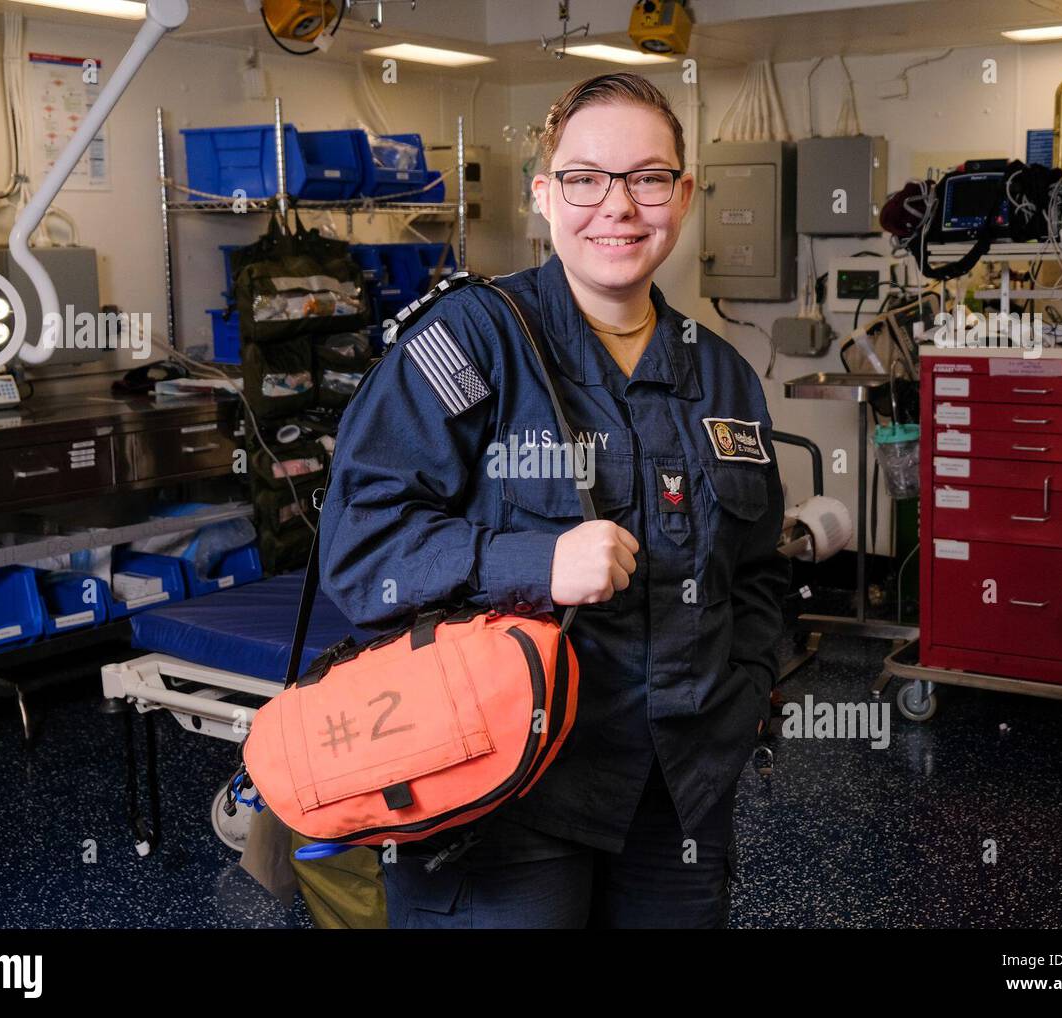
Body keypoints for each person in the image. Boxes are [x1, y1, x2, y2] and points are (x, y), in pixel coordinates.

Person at [317, 72, 788, 928]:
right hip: (504, 788)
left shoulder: (722, 374)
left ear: (680, 196)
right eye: (585, 178)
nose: (618, 206)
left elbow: (756, 575)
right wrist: (536, 563)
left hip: (677, 788)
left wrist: (743, 690)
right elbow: (361, 549)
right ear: (544, 195)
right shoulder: (468, 344)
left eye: (647, 178)